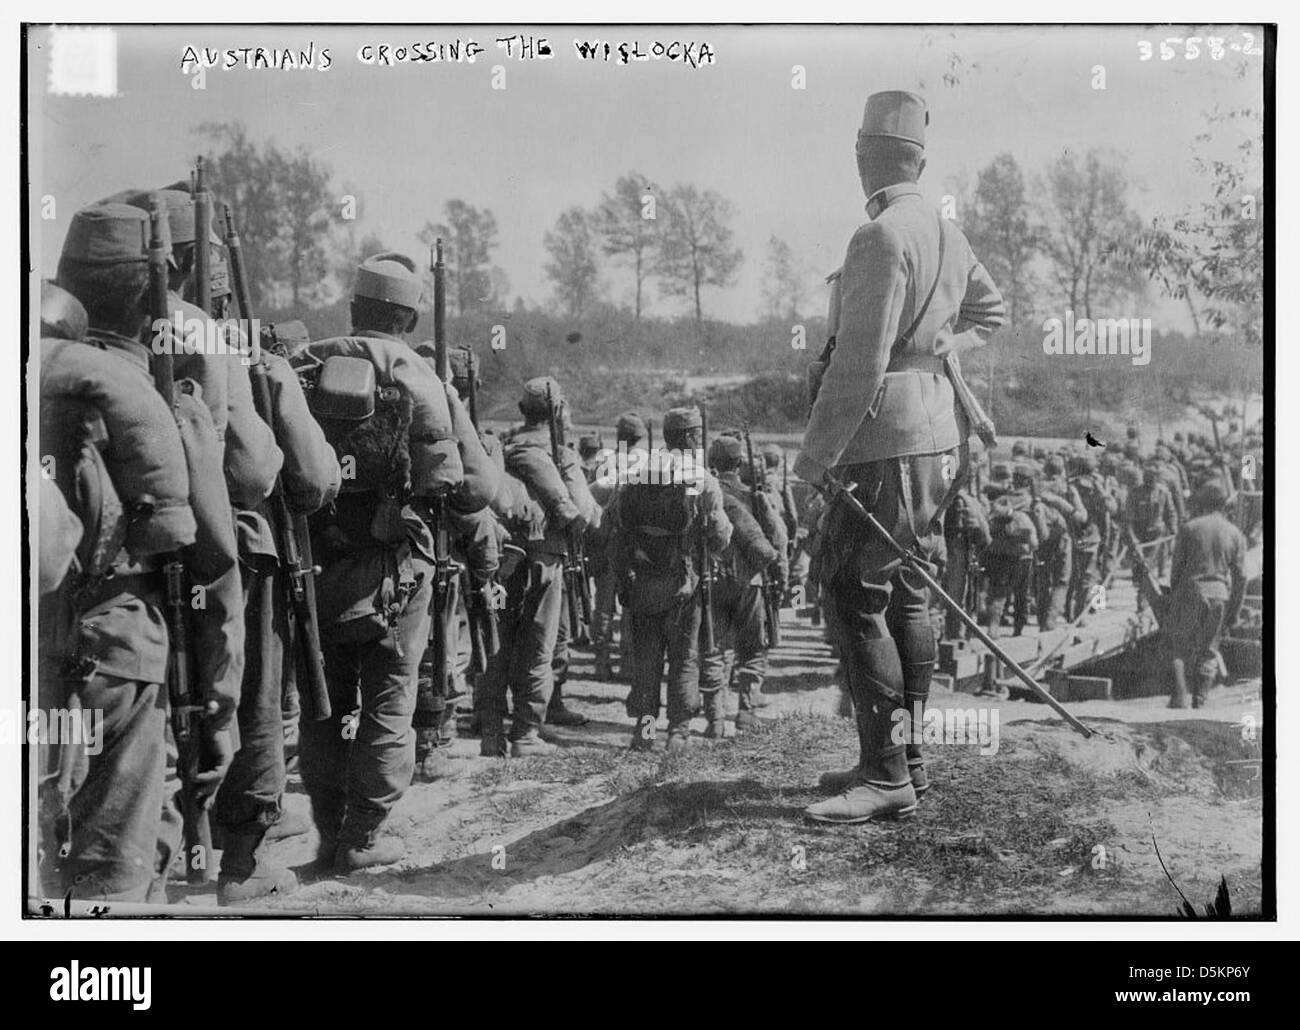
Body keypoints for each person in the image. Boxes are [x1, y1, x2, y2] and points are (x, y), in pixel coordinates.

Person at [795, 90, 1005, 823]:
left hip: (884, 439)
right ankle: (903, 762)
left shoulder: (880, 237)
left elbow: (856, 368)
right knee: (909, 592)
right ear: (918, 159)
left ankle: (885, 774)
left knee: (854, 592)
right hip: (939, 434)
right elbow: (992, 313)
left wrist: (809, 465)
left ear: (866, 158)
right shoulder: (948, 231)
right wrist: (952, 345)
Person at [41, 202, 239, 900]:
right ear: (149, 296)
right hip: (115, 649)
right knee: (112, 869)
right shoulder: (150, 400)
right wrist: (219, 708)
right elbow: (210, 561)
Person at [292, 252, 462, 871]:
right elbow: (448, 480)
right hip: (393, 564)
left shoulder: (302, 362)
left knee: (323, 701)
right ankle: (363, 836)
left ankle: (328, 827)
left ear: (356, 308)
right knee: (390, 696)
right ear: (409, 317)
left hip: (312, 562)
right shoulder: (415, 372)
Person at [478, 377, 597, 757]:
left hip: (501, 559)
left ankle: (491, 733)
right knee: (537, 645)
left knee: (497, 644)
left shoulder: (502, 446)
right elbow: (587, 514)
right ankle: (526, 734)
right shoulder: (559, 453)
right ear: (559, 411)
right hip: (544, 561)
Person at [606, 407, 731, 751]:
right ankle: (678, 732)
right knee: (684, 658)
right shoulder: (702, 479)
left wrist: (623, 578)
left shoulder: (635, 473)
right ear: (691, 436)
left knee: (646, 659)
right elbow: (721, 536)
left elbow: (614, 530)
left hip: (642, 584)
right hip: (684, 585)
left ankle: (643, 733)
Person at [699, 435, 781, 736]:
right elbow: (778, 539)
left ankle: (715, 720)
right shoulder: (755, 497)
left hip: (712, 581)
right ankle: (745, 713)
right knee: (753, 648)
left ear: (712, 462)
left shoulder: (702, 493)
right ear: (740, 463)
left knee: (714, 649)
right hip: (750, 582)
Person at [1147, 481, 1246, 709]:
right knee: (1209, 650)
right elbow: (1240, 578)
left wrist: (1175, 598)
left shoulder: (1190, 528)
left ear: (1201, 503)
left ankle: (1179, 697)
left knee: (1176, 646)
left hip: (1190, 591)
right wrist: (1234, 611)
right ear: (1224, 505)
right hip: (1219, 594)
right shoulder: (1235, 533)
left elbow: (1176, 569)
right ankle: (1200, 701)